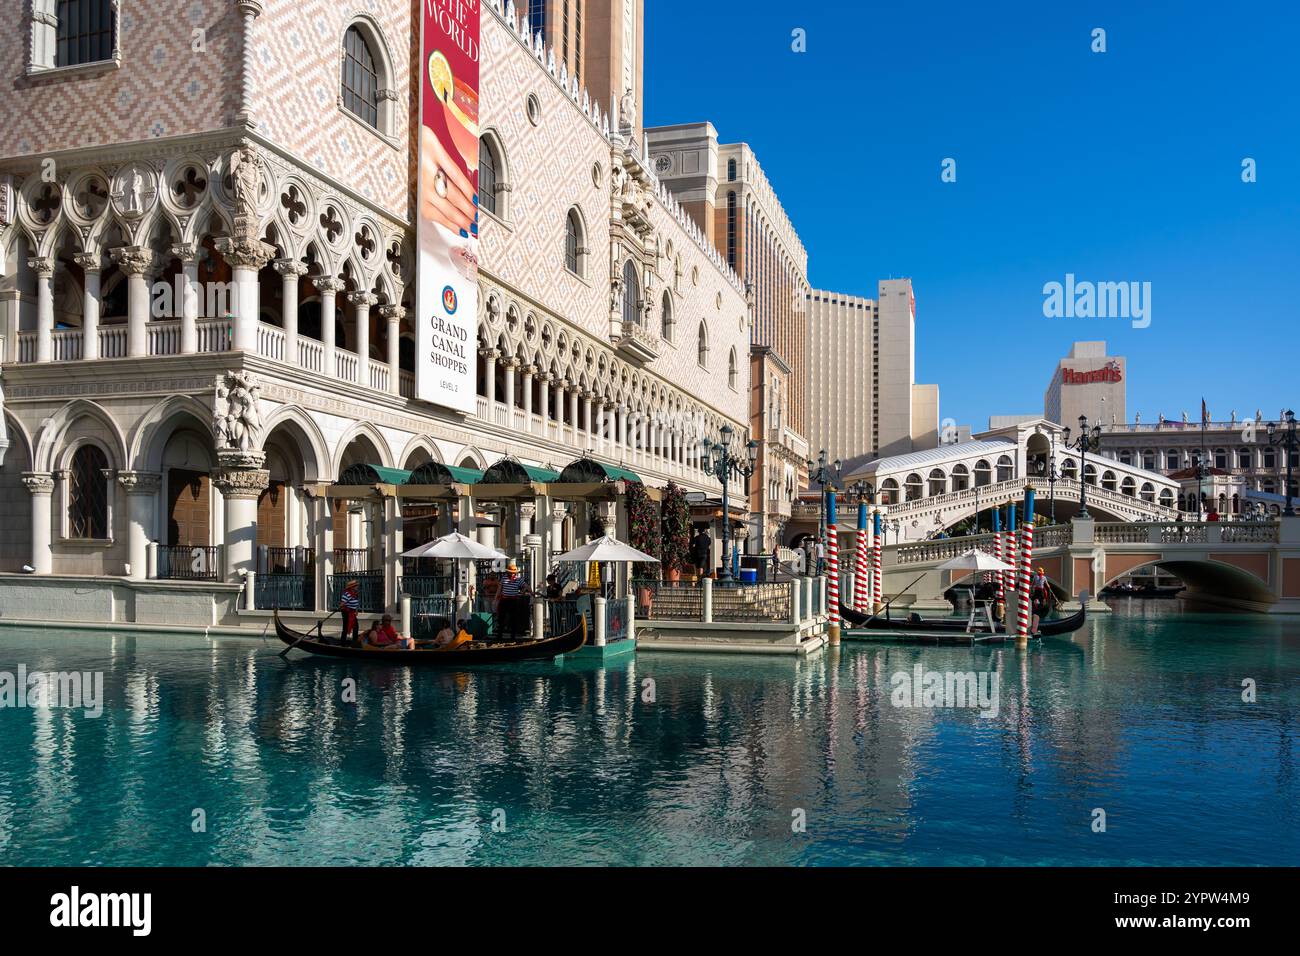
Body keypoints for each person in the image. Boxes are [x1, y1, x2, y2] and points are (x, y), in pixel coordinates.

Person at [499, 563, 530, 636]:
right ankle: (499, 635)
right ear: (509, 572)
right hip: (504, 600)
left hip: (513, 600)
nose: (513, 574)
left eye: (514, 573)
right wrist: (495, 599)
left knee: (513, 618)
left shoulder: (518, 579)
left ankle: (512, 635)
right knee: (501, 617)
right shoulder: (504, 578)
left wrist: (525, 591)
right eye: (512, 573)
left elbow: (526, 586)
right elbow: (499, 589)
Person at [339, 580, 361, 645]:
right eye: (356, 586)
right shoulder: (347, 594)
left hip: (352, 612)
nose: (357, 587)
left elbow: (356, 603)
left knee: (356, 627)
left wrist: (356, 610)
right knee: (345, 627)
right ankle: (342, 643)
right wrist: (342, 605)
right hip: (346, 612)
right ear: (352, 587)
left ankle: (354, 641)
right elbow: (341, 604)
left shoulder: (355, 594)